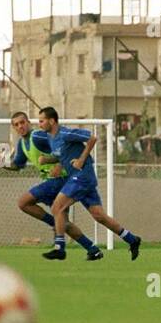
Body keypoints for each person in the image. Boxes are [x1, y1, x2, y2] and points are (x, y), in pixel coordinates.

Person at [38, 106, 142, 261]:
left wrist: (81, 160)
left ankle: (60, 248)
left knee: (57, 207)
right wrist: (48, 160)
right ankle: (132, 239)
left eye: (42, 121)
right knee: (99, 216)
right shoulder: (51, 139)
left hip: (82, 176)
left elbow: (92, 138)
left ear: (52, 121)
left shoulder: (66, 133)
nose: (39, 124)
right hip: (79, 178)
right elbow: (62, 155)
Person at [0, 111, 102, 260]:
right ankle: (93, 249)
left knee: (23, 202)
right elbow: (17, 165)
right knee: (64, 223)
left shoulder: (38, 136)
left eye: (22, 122)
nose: (20, 126)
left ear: (28, 122)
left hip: (59, 180)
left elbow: (62, 146)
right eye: (16, 125)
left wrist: (60, 164)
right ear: (14, 128)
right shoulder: (22, 144)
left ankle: (53, 224)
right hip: (54, 182)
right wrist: (2, 164)